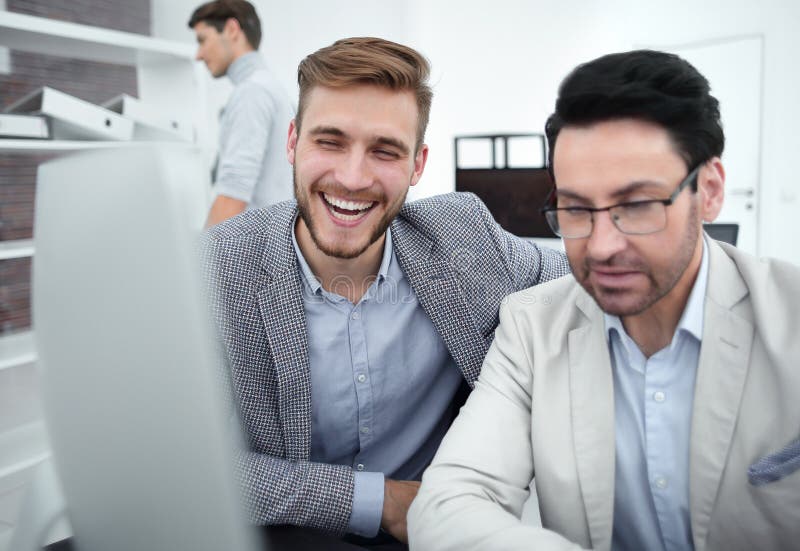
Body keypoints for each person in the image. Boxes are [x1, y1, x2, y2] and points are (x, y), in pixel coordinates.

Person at [408, 49, 800, 551]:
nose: (601, 246)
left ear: (710, 190)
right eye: (575, 209)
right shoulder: (531, 331)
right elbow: (445, 508)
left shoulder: (788, 319)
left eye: (636, 205)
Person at [199, 36, 570, 547]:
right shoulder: (216, 268)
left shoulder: (464, 237)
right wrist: (378, 501)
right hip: (292, 536)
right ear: (292, 142)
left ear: (418, 165)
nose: (353, 177)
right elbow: (181, 461)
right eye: (329, 141)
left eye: (384, 151)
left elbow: (585, 280)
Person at [189, 0, 293, 226]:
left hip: (252, 253)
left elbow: (233, 194)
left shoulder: (252, 92)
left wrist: (200, 257)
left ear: (232, 30)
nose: (198, 55)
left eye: (202, 40)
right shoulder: (268, 86)